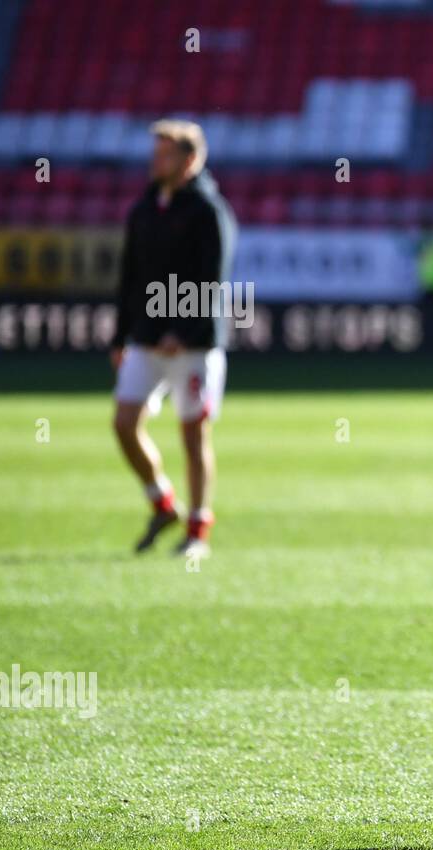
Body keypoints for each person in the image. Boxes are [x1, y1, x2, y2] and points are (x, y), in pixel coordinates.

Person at [111, 119, 237, 558]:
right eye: (155, 153)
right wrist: (120, 335)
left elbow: (213, 279)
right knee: (125, 423)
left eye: (164, 154)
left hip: (193, 345)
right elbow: (129, 277)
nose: (155, 161)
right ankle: (162, 501)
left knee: (192, 434)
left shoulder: (208, 210)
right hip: (146, 339)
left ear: (190, 160)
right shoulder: (145, 208)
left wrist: (182, 331)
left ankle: (198, 530)